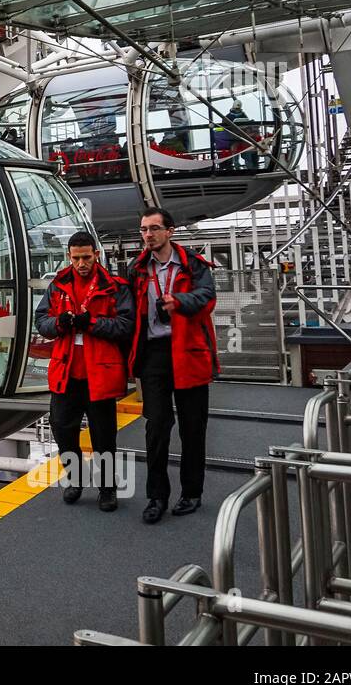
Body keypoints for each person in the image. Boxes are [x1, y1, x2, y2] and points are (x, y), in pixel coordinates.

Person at [129, 207, 219, 524]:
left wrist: (177, 302)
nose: (148, 235)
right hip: (154, 354)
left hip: (188, 351)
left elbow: (207, 297)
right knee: (156, 428)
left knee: (193, 428)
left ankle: (191, 493)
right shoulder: (137, 269)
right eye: (143, 229)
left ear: (170, 231)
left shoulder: (193, 264)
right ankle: (156, 496)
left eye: (154, 228)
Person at [35, 231, 134, 512]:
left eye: (86, 257)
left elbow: (125, 326)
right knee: (62, 429)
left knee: (104, 436)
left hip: (99, 374)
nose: (81, 264)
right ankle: (75, 478)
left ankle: (107, 489)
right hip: (67, 372)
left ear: (96, 255)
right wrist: (59, 324)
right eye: (76, 258)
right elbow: (41, 320)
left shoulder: (115, 286)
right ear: (69, 256)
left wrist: (91, 323)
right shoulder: (58, 284)